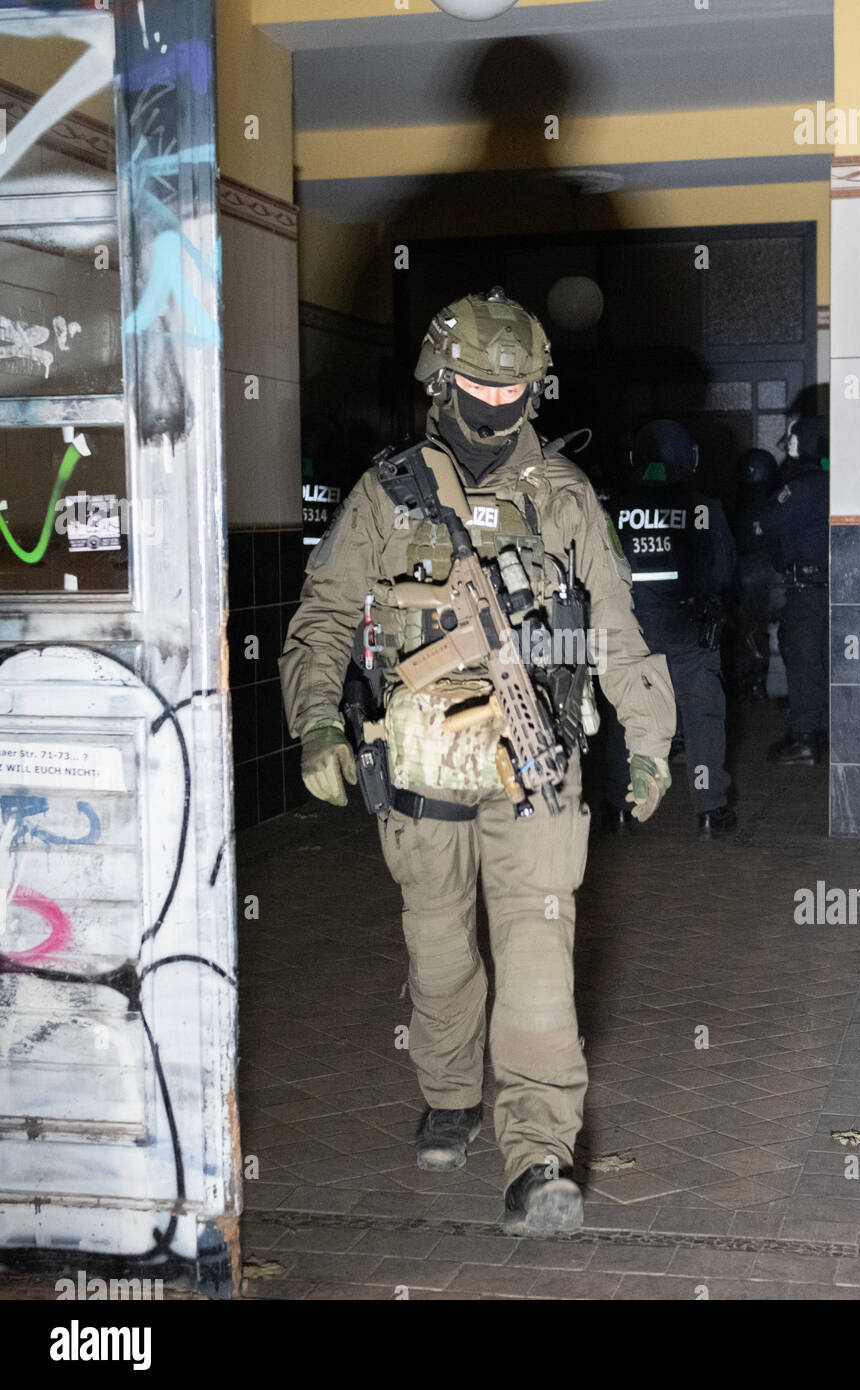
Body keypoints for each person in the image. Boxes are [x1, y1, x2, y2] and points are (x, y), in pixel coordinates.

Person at [279, 288, 676, 1236]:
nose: (493, 405)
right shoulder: (384, 495)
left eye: (511, 389)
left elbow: (620, 630)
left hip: (539, 773)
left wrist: (652, 744)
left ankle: (539, 1153)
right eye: (473, 386)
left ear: (536, 389)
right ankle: (452, 1094)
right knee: (441, 951)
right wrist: (320, 727)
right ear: (436, 380)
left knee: (540, 957)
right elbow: (324, 620)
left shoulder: (568, 497)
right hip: (421, 771)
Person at [603, 419, 737, 838]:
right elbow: (723, 569)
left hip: (628, 629)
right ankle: (709, 808)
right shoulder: (703, 507)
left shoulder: (614, 506)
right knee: (702, 715)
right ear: (690, 456)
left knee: (624, 714)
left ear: (635, 458)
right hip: (689, 631)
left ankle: (623, 806)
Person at [755, 416, 830, 764]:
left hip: (808, 588)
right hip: (833, 587)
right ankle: (823, 730)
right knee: (823, 661)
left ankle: (804, 740)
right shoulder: (836, 480)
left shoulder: (802, 485)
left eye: (792, 438)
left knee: (803, 661)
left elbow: (769, 521)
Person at [725, 447, 783, 703]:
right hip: (774, 573)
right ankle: (759, 686)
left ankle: (749, 685)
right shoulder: (777, 498)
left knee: (747, 633)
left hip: (744, 573)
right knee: (769, 633)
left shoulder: (734, 502)